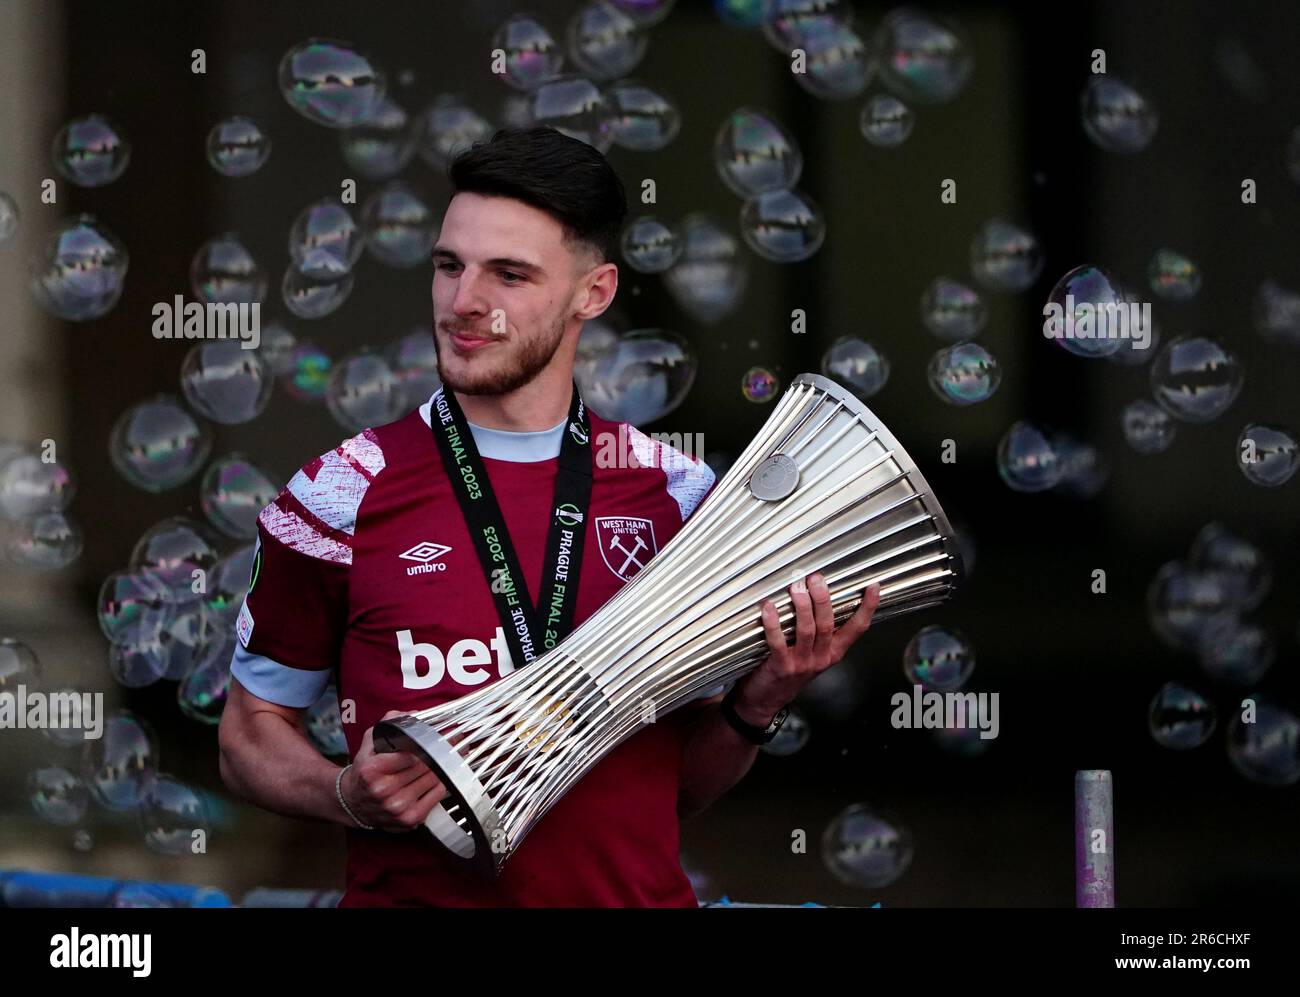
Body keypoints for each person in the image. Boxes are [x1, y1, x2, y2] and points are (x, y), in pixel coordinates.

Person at [217, 126, 881, 907]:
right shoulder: (338, 492)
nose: (465, 303)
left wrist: (760, 697)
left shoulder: (685, 496)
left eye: (509, 274)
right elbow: (246, 736)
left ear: (591, 293)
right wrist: (343, 792)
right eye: (448, 266)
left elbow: (670, 791)